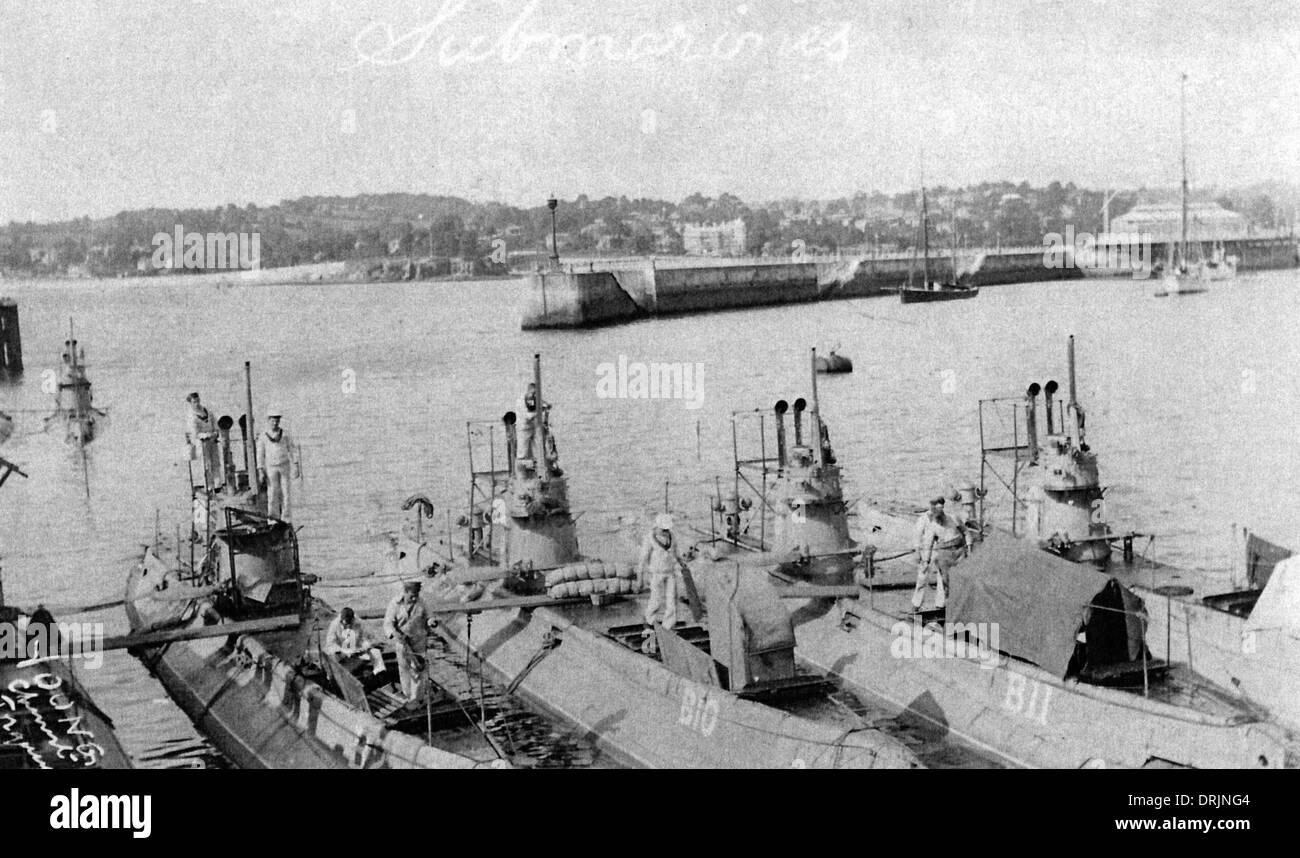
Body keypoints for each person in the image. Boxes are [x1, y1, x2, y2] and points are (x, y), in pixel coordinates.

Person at [638, 513, 688, 652]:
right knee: (656, 600)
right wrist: (640, 577)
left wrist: (682, 562)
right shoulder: (650, 538)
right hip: (656, 574)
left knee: (672, 602)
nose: (666, 531)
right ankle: (649, 623)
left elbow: (676, 552)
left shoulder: (672, 537)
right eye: (663, 529)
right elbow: (643, 558)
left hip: (670, 573)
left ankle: (667, 628)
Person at [912, 493, 966, 612]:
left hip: (941, 550)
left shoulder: (944, 517)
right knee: (922, 577)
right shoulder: (923, 519)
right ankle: (916, 604)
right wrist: (918, 553)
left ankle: (940, 605)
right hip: (926, 550)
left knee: (942, 579)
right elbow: (918, 537)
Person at [382, 581, 431, 702]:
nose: (414, 598)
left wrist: (431, 621)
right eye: (411, 596)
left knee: (418, 669)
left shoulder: (422, 602)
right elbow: (388, 623)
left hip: (418, 641)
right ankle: (408, 696)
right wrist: (394, 634)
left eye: (416, 595)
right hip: (402, 642)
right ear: (405, 592)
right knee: (404, 669)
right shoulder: (395, 604)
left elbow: (430, 616)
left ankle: (417, 699)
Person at [256, 408, 299, 521]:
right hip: (271, 467)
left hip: (284, 465)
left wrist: (296, 465)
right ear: (268, 420)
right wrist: (260, 470)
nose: (275, 423)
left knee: (286, 493)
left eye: (277, 421)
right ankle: (273, 519)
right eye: (273, 420)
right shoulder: (263, 436)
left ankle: (286, 518)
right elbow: (260, 454)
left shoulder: (284, 434)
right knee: (272, 494)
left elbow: (292, 449)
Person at [325, 607, 385, 674]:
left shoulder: (359, 623)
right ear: (341, 621)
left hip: (357, 653)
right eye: (345, 624)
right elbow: (330, 644)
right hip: (342, 656)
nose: (347, 626)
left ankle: (380, 674)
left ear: (353, 620)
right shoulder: (334, 625)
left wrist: (364, 647)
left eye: (350, 624)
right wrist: (341, 651)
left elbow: (369, 638)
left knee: (375, 652)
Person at [185, 392, 221, 491]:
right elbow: (195, 433)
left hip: (212, 440)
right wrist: (206, 435)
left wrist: (216, 431)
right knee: (206, 464)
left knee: (216, 462)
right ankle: (209, 486)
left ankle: (218, 485)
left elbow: (214, 421)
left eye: (197, 401)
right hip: (202, 442)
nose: (197, 403)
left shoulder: (207, 410)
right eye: (194, 402)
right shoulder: (192, 417)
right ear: (190, 403)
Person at [514, 383, 550, 465]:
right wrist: (540, 410)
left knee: (538, 451)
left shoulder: (533, 397)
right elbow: (529, 416)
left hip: (533, 427)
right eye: (533, 393)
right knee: (522, 452)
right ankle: (522, 474)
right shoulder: (522, 401)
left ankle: (539, 471)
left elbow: (541, 403)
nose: (535, 395)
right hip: (523, 428)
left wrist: (546, 405)